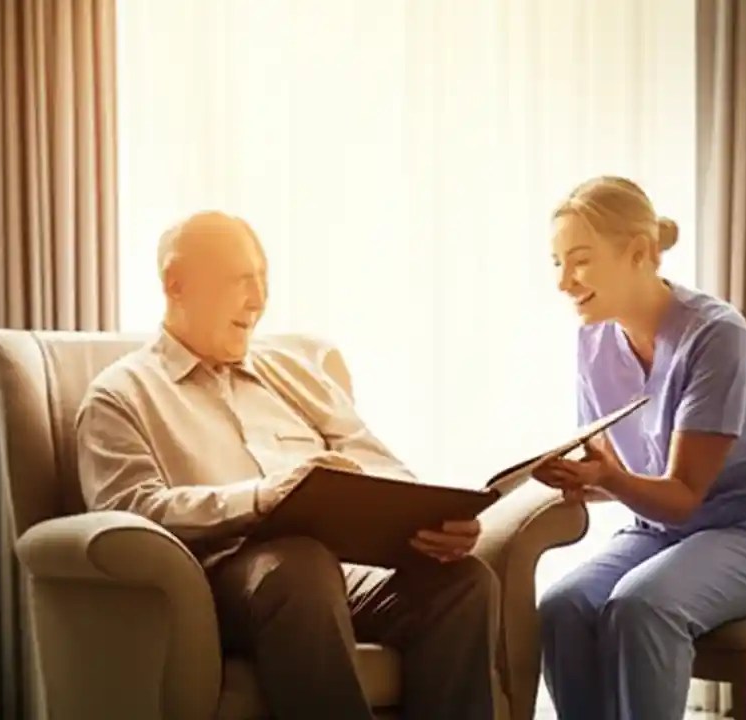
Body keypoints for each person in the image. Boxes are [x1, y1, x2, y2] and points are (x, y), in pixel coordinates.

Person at [75, 210, 498, 720]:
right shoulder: (120, 395)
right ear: (175, 284)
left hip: (333, 575)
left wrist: (431, 520)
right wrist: (261, 496)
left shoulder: (293, 373)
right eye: (240, 280)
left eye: (263, 278)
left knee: (464, 582)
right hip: (218, 586)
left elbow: (377, 462)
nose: (258, 300)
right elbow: (130, 506)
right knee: (298, 565)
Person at [533, 177, 746, 720]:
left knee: (641, 605)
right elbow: (615, 472)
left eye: (580, 261)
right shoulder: (593, 339)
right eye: (555, 263)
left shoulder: (716, 335)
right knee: (563, 606)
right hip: (661, 534)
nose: (563, 282)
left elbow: (683, 495)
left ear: (638, 252)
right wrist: (574, 478)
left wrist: (605, 478)